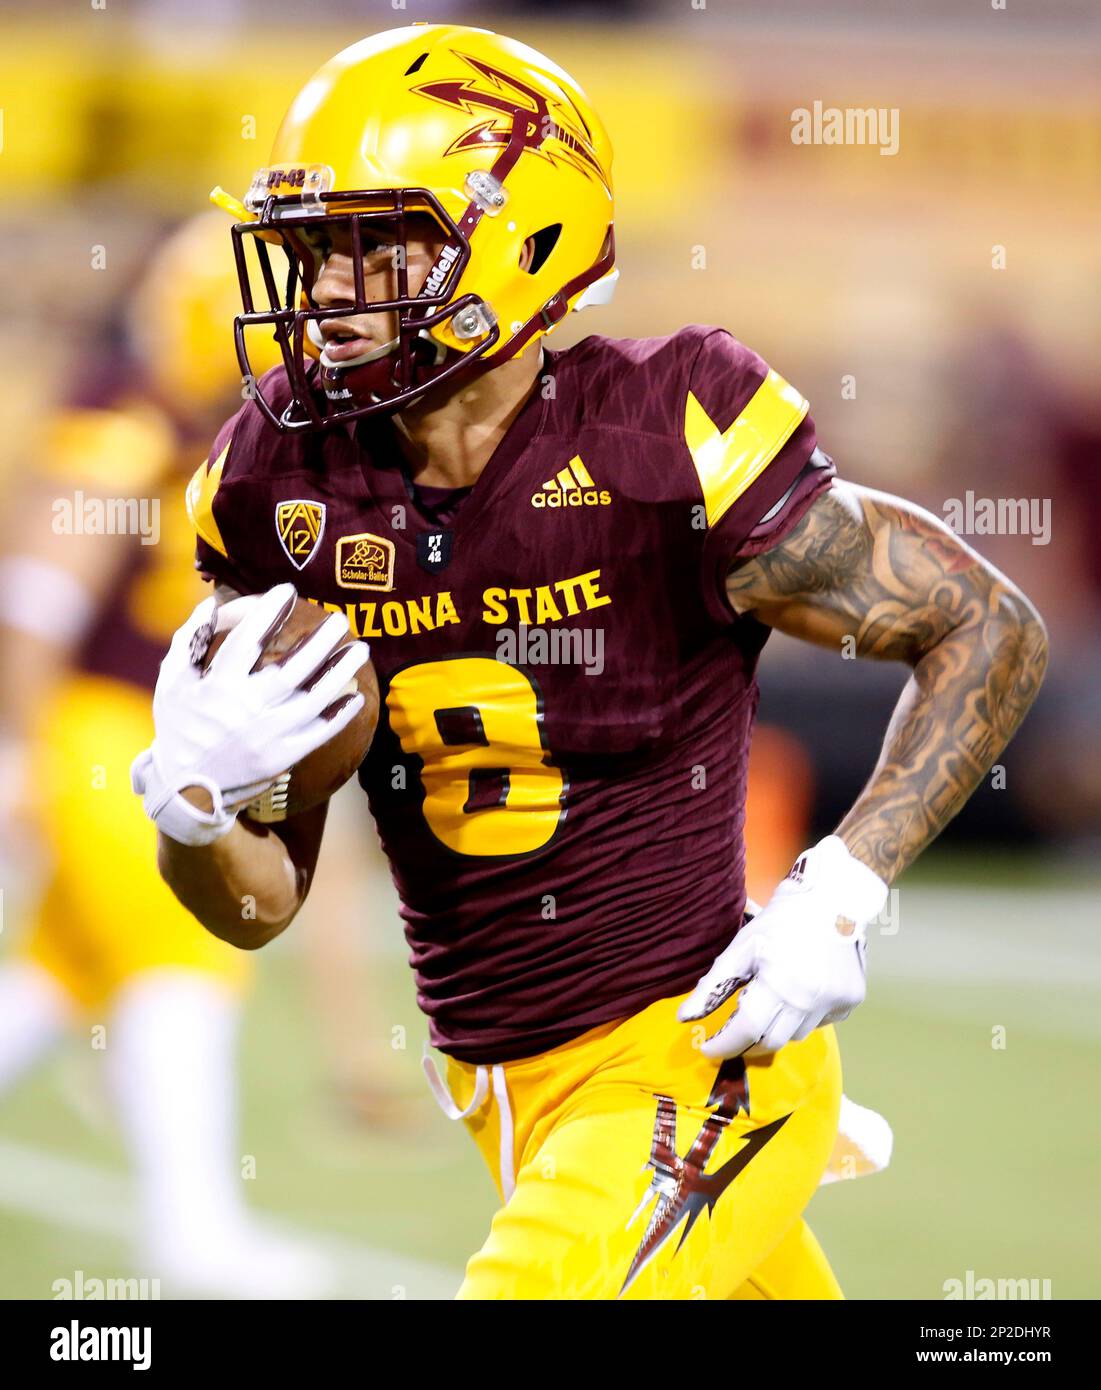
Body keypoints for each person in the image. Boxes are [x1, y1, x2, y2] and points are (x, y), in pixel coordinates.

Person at [131, 24, 1048, 1299]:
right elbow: (255, 904)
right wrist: (190, 807)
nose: (331, 294)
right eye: (314, 251)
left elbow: (987, 624)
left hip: (696, 1056)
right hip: (500, 1085)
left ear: (528, 241)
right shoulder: (277, 480)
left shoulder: (662, 437)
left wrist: (839, 891)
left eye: (377, 249)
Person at [0, 214, 330, 1296]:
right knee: (183, 957)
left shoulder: (226, 437)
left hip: (151, 731)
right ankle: (195, 1237)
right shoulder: (130, 412)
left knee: (56, 978)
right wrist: (21, 747)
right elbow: (39, 598)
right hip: (101, 726)